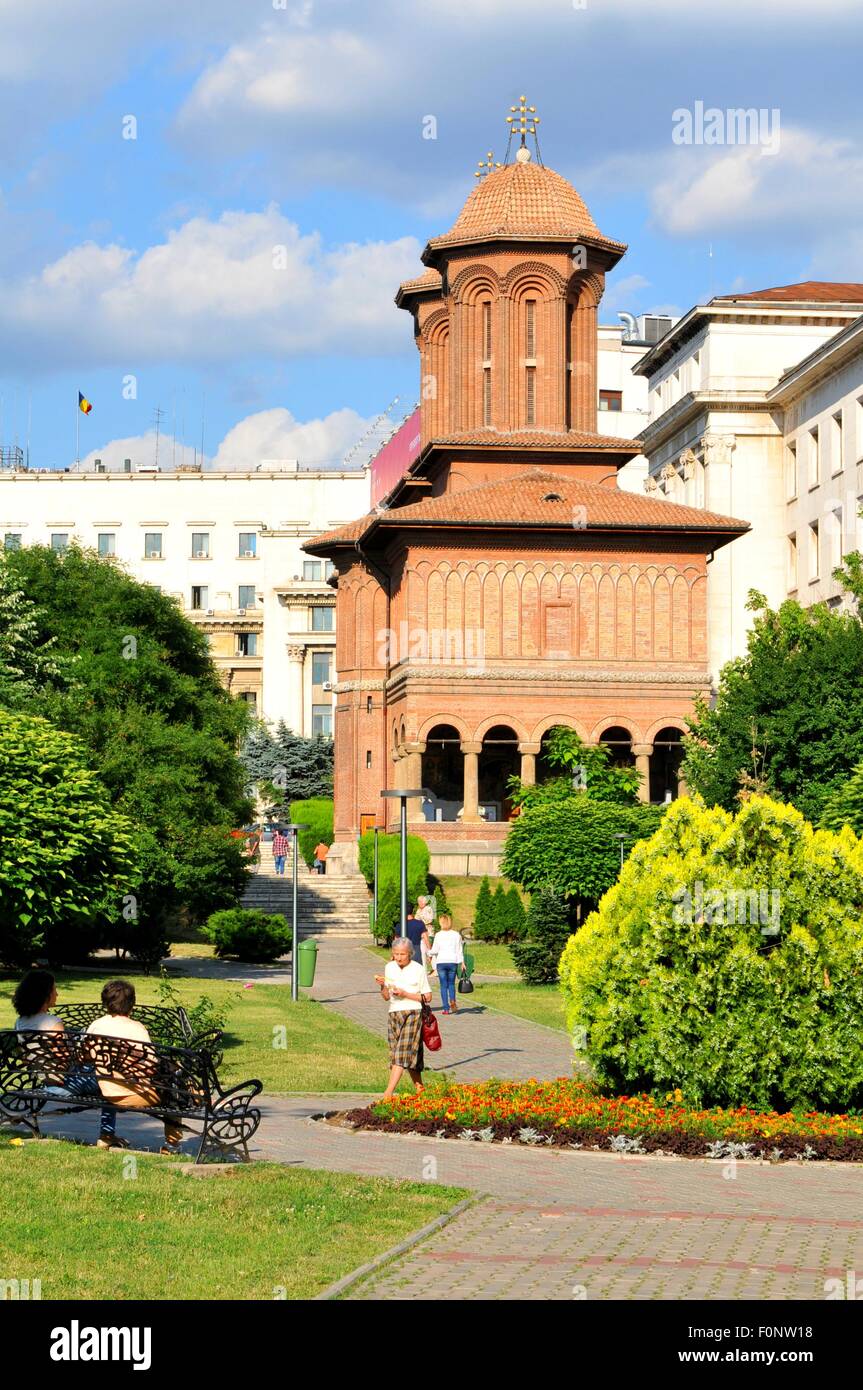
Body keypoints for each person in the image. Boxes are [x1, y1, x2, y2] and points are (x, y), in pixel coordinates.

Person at [84, 980, 183, 1156]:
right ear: (132, 1004)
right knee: (173, 1088)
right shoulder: (137, 1029)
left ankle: (106, 1136)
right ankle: (172, 1145)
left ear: (106, 1002)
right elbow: (150, 1067)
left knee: (113, 1074)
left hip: (107, 1089)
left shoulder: (96, 1025)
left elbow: (86, 1056)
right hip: (136, 1094)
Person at [373, 939, 432, 1099]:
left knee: (401, 1054)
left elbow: (427, 996)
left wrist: (406, 994)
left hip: (413, 1012)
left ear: (410, 954)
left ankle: (388, 1093)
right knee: (404, 1054)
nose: (399, 958)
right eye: (396, 954)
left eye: (402, 954)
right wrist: (382, 985)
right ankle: (420, 1089)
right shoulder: (389, 967)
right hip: (394, 1013)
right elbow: (386, 997)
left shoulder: (418, 969)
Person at [429, 912, 465, 1015]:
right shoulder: (456, 935)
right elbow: (459, 950)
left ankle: (445, 1008)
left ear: (441, 923)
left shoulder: (438, 935)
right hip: (452, 962)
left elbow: (435, 950)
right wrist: (462, 962)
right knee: (451, 984)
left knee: (443, 985)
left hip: (441, 962)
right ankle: (453, 1000)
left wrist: (428, 952)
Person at [401, 905, 429, 971]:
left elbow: (396, 941)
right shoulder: (420, 923)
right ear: (413, 911)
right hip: (416, 950)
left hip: (403, 950)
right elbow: (426, 938)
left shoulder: (400, 925)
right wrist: (429, 952)